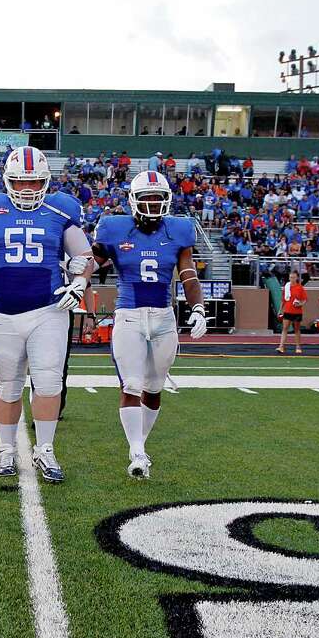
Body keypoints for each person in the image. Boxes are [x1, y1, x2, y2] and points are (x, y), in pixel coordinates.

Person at [0, 146, 94, 483]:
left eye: (35, 182)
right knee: (8, 385)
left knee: (49, 381)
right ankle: (6, 449)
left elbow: (84, 254)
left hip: (48, 309)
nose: (27, 189)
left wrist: (80, 279)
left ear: (45, 181)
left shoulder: (62, 208)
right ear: (7, 181)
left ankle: (46, 450)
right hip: (0, 310)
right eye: (20, 182)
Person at [91, 170, 206, 479]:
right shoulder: (115, 229)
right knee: (131, 384)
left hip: (164, 317)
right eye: (147, 198)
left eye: (158, 198)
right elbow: (91, 262)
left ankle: (141, 443)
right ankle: (137, 451)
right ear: (134, 201)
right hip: (128, 315)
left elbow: (188, 274)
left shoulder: (178, 231)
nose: (153, 204)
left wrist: (198, 308)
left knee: (154, 388)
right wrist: (74, 276)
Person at [276, 270, 307, 354]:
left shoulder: (300, 287)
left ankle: (298, 346)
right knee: (285, 328)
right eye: (290, 277)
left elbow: (304, 300)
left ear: (296, 278)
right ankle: (281, 346)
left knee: (296, 329)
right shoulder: (286, 287)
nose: (291, 279)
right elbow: (283, 300)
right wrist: (280, 310)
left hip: (297, 311)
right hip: (287, 310)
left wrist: (300, 304)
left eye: (293, 277)